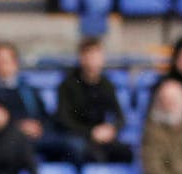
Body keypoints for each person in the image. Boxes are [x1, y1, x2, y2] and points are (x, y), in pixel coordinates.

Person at [0, 41, 80, 164]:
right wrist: (18, 127)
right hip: (8, 140)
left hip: (37, 137)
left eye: (7, 61)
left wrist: (38, 127)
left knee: (73, 146)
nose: (3, 65)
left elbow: (45, 116)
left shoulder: (28, 89)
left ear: (15, 64)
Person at [54, 36, 134, 165]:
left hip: (101, 136)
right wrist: (91, 132)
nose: (94, 60)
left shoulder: (107, 85)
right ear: (82, 58)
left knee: (126, 152)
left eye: (97, 55)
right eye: (90, 55)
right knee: (84, 152)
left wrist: (111, 129)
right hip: (79, 136)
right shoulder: (67, 85)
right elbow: (64, 120)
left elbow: (120, 116)